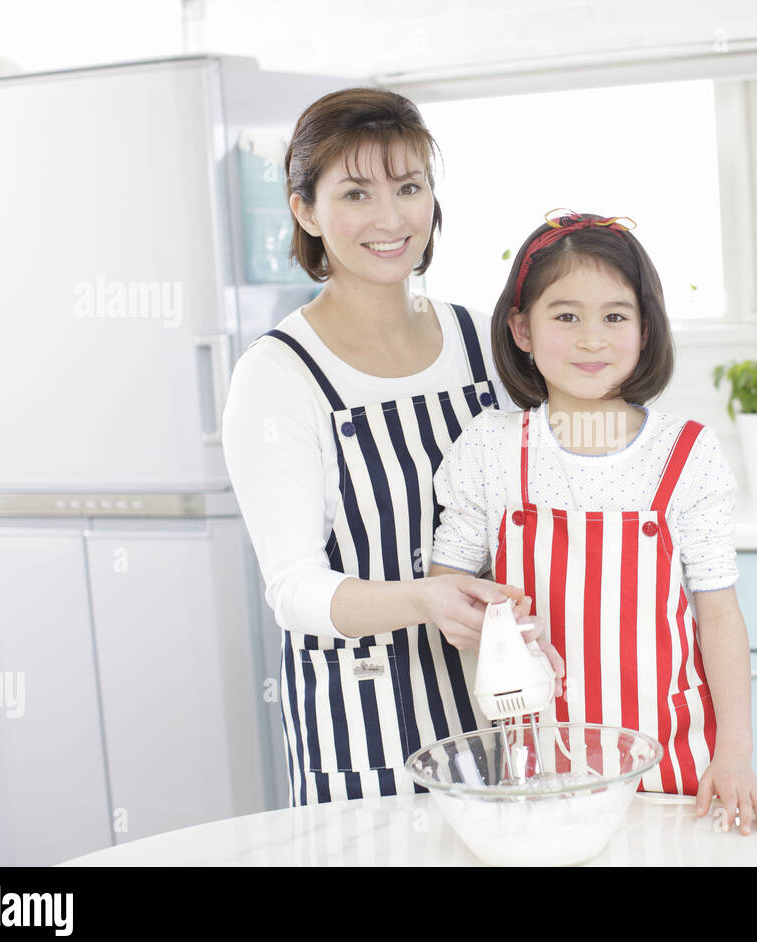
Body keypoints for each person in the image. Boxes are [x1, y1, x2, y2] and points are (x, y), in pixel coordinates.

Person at [222, 90, 561, 806]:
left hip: (496, 704)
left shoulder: (483, 342)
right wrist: (424, 598)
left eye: (409, 187)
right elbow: (293, 590)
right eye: (355, 192)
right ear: (305, 210)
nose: (390, 217)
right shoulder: (278, 375)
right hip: (365, 730)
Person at [429, 210, 757, 834]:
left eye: (615, 315)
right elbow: (446, 591)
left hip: (675, 764)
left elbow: (719, 612)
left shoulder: (685, 453)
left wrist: (736, 753)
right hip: (533, 770)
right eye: (565, 315)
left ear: (646, 330)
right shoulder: (491, 449)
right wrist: (491, 620)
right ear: (521, 329)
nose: (592, 338)